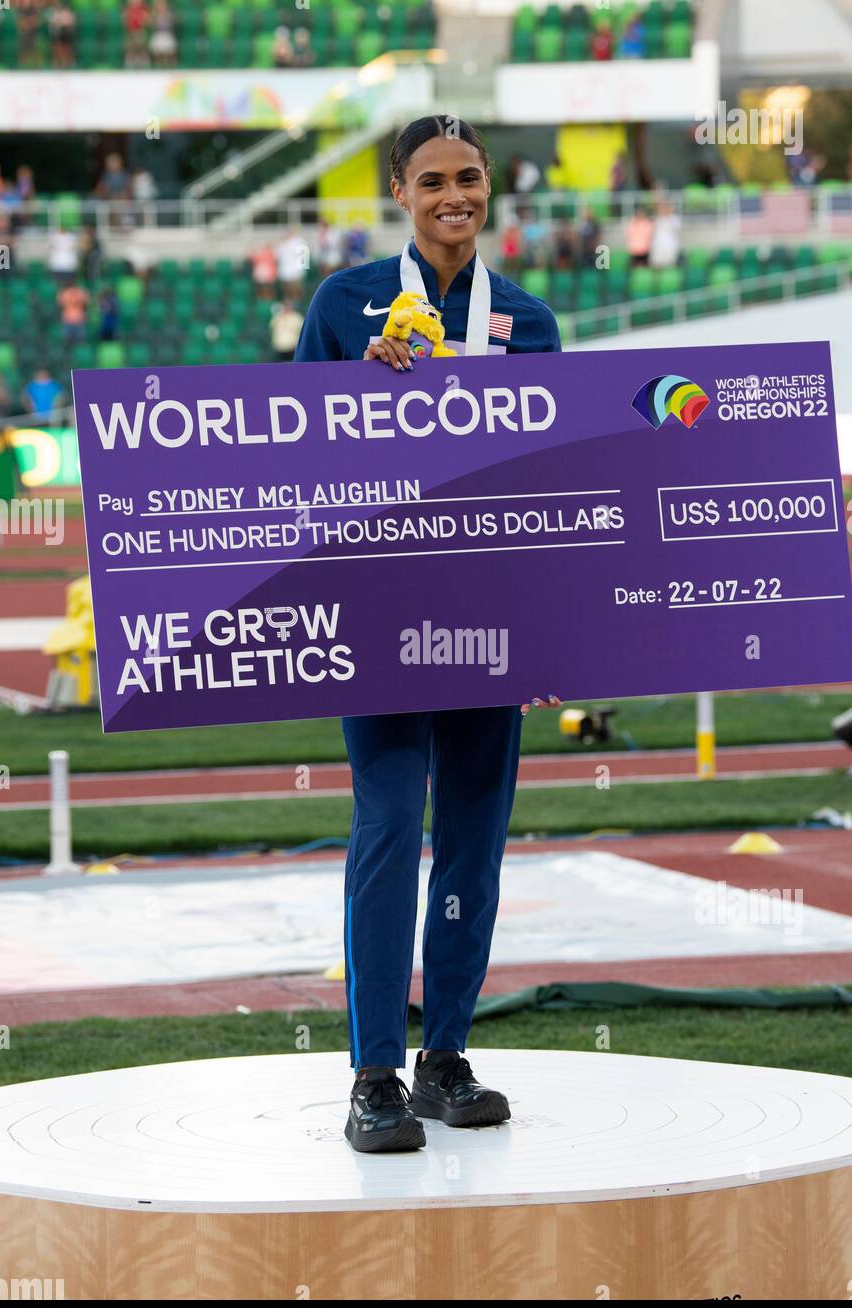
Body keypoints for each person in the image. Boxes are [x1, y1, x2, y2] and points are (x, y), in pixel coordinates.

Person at [294, 115, 563, 1155]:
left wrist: (547, 629)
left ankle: (442, 1055)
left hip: (489, 619)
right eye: (432, 180)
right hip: (379, 610)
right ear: (398, 193)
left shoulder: (528, 322)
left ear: (485, 188)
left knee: (474, 840)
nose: (454, 195)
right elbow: (286, 448)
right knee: (387, 829)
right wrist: (360, 382)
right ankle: (371, 1074)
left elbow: (545, 485)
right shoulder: (345, 303)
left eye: (469, 177)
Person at [648, 199, 681, 269]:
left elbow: (676, 229)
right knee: (656, 266)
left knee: (670, 265)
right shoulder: (657, 218)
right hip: (658, 246)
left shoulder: (674, 219)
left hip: (670, 247)